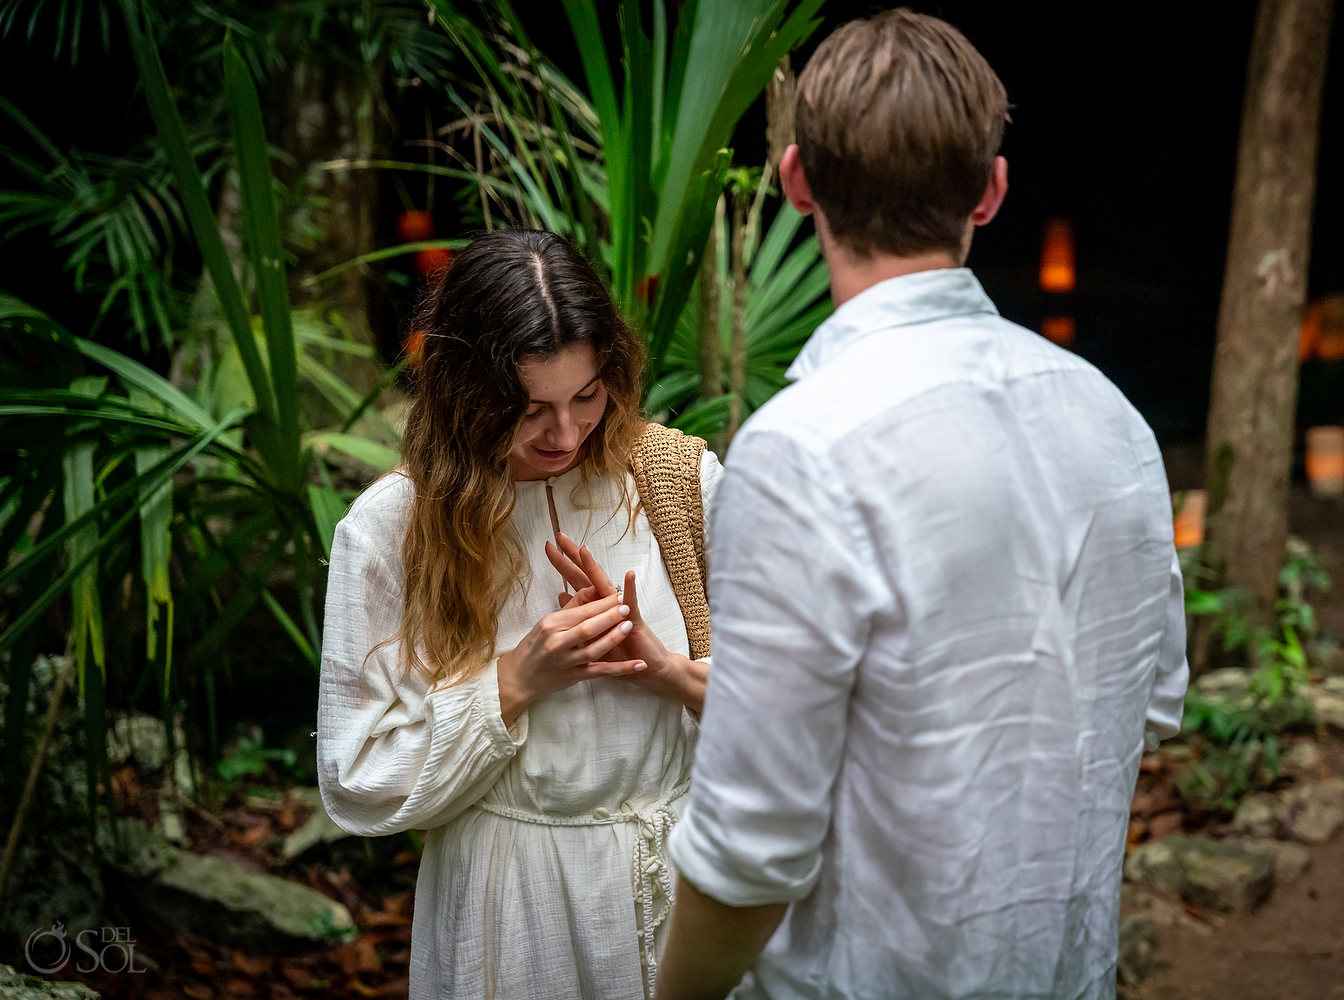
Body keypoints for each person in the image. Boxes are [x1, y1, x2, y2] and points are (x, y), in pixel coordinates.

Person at [657, 10, 1189, 1000]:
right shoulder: (1114, 421)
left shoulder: (798, 449)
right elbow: (1149, 702)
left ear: (795, 180)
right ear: (990, 192)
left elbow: (749, 853)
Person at [316, 228, 721, 1000]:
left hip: (681, 880)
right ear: (465, 390)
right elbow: (356, 777)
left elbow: (789, 706)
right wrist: (514, 682)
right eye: (530, 408)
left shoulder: (677, 483)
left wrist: (667, 672)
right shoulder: (390, 528)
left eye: (587, 396)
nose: (565, 435)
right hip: (509, 905)